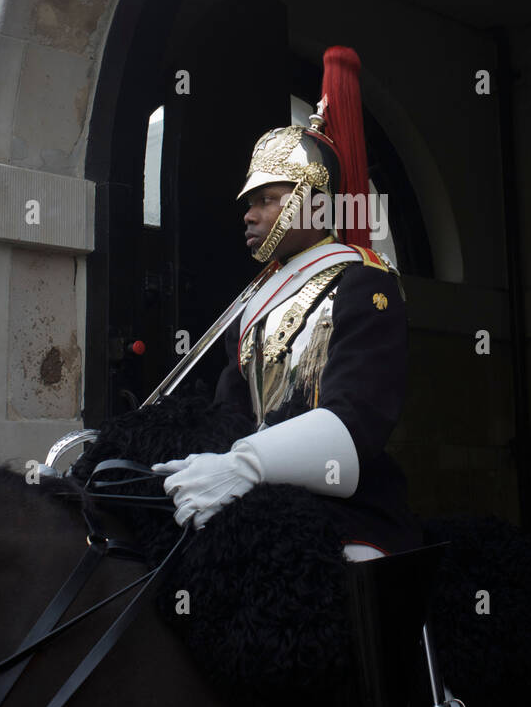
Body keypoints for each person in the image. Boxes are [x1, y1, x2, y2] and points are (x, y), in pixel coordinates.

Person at [153, 46, 422, 561]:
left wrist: (247, 464)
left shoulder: (364, 281)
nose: (249, 215)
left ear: (314, 201)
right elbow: (230, 415)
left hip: (347, 505)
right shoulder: (256, 299)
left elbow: (357, 420)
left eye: (266, 199)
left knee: (351, 577)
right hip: (250, 495)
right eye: (249, 203)